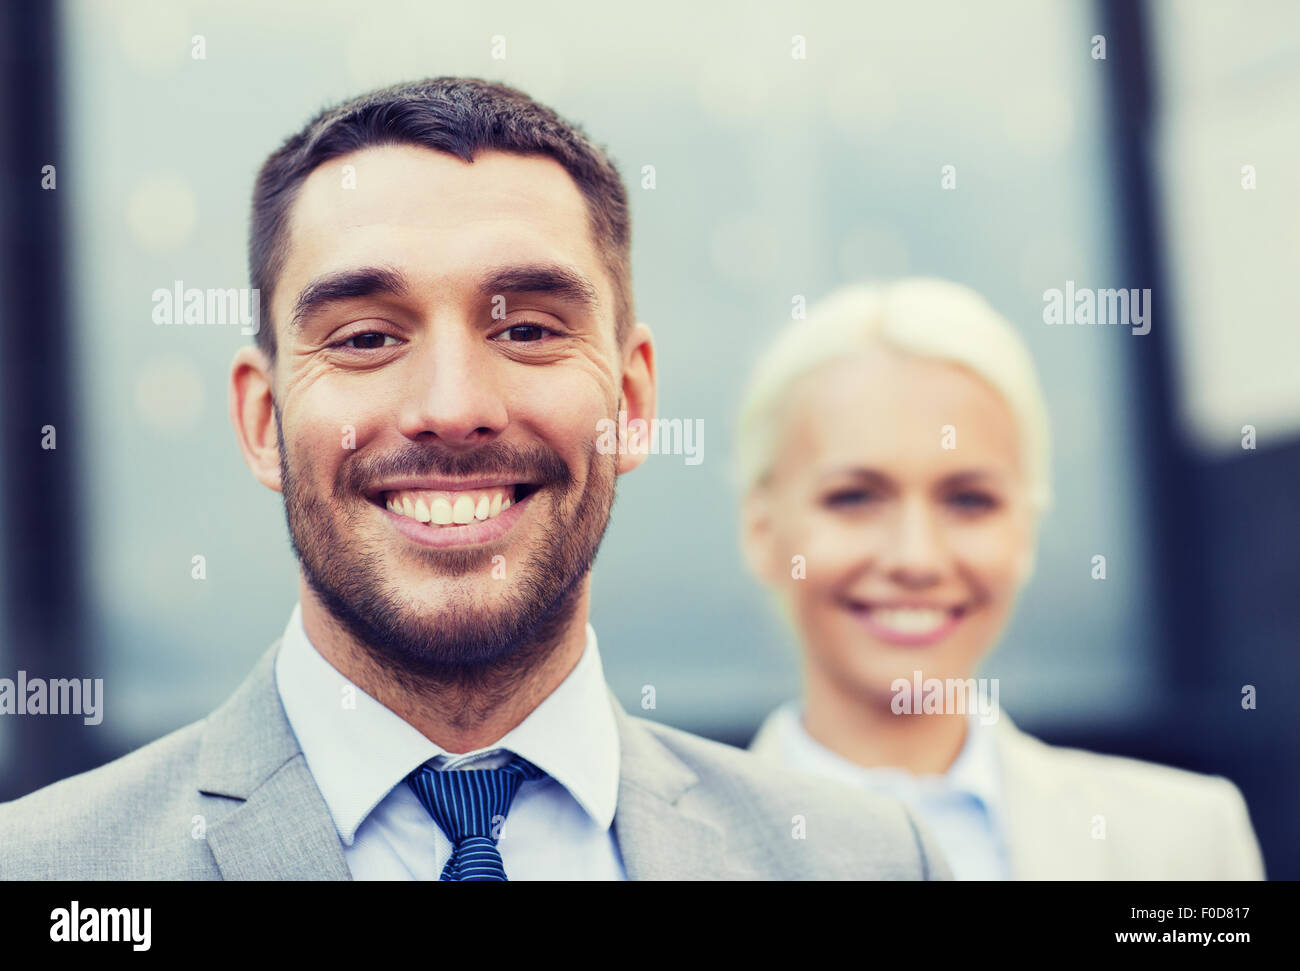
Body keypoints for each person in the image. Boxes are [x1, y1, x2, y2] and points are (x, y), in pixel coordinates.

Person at [0, 78, 949, 881]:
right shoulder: (48, 872)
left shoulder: (866, 860)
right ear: (262, 420)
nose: (452, 407)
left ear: (631, 399)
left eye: (528, 330)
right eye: (367, 338)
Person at [737, 278, 1265, 879]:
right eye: (854, 497)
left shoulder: (1184, 843)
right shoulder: (652, 855)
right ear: (762, 531)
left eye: (969, 500)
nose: (918, 558)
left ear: (1027, 530)